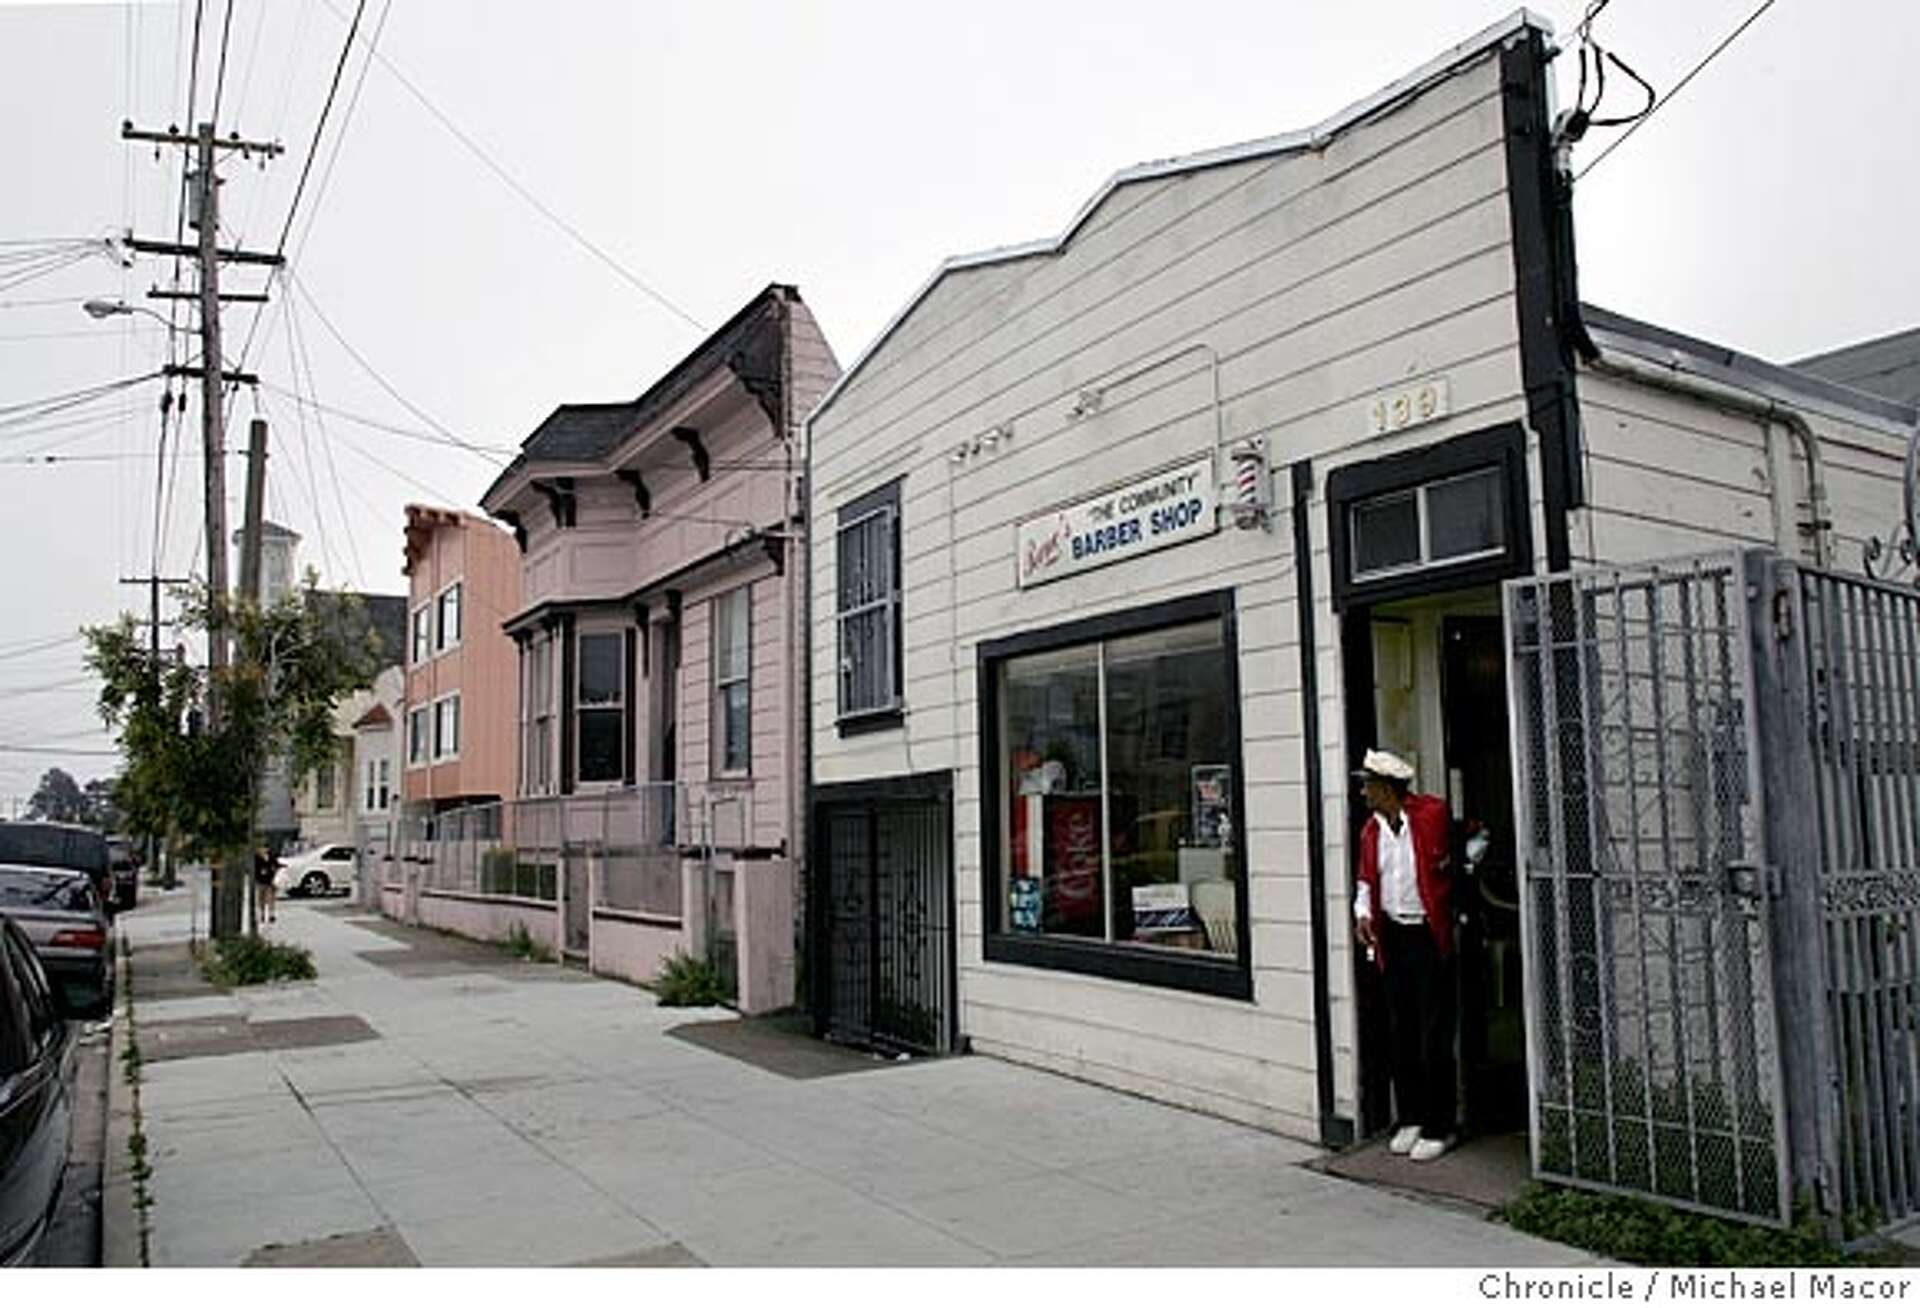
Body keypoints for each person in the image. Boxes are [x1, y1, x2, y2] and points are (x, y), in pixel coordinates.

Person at [1352, 748, 1457, 1162]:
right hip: (1393, 936)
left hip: (1427, 937)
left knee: (1434, 1034)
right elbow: (1366, 879)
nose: (1363, 793)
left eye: (1368, 785)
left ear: (1386, 787)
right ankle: (1410, 1116)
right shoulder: (1371, 831)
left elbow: (1455, 857)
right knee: (1401, 1030)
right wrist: (1363, 914)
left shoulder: (1429, 817)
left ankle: (1440, 1124)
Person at [252, 846, 279, 926]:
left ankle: (271, 914)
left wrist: (273, 870)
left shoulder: (271, 856)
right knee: (261, 899)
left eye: (265, 848)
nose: (263, 850)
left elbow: (276, 865)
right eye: (261, 849)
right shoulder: (256, 858)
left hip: (270, 881)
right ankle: (262, 914)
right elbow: (255, 869)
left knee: (271, 898)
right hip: (260, 881)